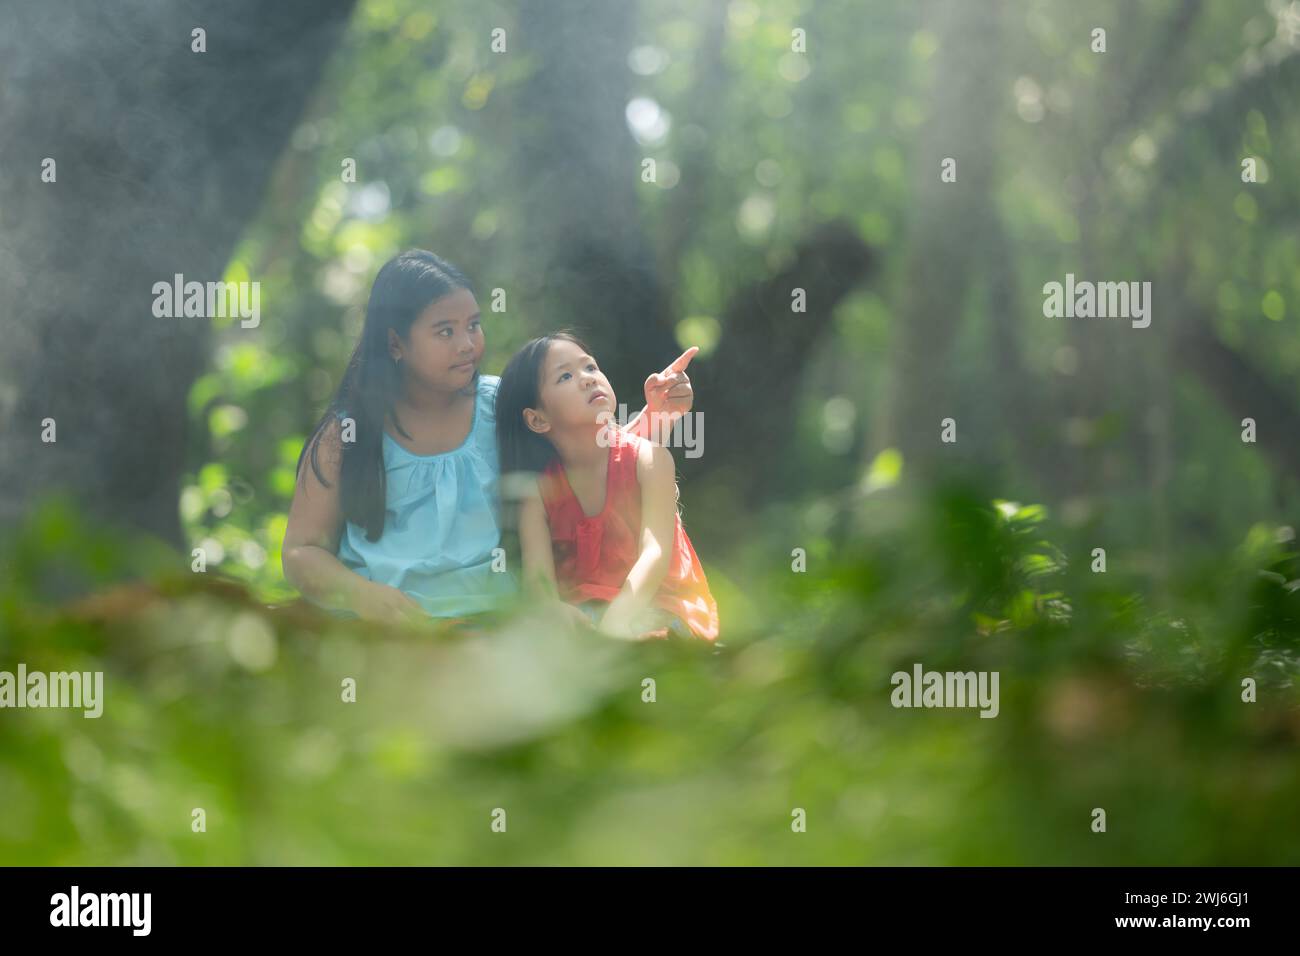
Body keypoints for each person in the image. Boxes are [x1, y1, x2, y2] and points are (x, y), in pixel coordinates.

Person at [282, 250, 695, 624]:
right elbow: (301, 552)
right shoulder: (351, 433)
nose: (467, 345)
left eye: (473, 326)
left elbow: (594, 458)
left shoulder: (501, 406)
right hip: (384, 630)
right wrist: (362, 596)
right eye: (445, 331)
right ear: (395, 344)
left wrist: (655, 417)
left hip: (498, 626)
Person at [496, 332, 718, 641]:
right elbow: (539, 583)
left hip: (660, 603)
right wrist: (554, 611)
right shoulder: (538, 493)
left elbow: (655, 552)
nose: (587, 379)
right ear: (537, 420)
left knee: (646, 647)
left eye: (590, 367)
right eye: (564, 376)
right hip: (587, 611)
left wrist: (619, 619)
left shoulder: (649, 459)